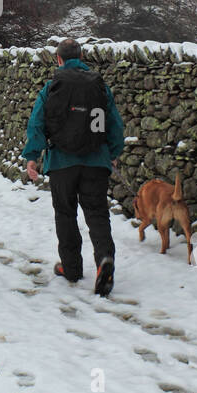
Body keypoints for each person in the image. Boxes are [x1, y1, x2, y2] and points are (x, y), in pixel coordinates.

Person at [22, 37, 125, 297]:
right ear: (81, 57)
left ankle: (71, 268)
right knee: (97, 213)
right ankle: (104, 259)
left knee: (65, 215)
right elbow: (115, 124)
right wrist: (112, 153)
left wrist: (32, 156)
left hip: (61, 163)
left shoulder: (51, 87)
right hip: (96, 161)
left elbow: (36, 124)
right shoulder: (99, 86)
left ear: (58, 59)